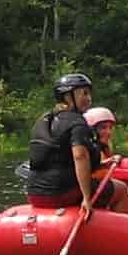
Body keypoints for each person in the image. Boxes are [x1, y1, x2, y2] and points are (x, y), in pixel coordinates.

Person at [25, 73, 99, 210]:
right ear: (67, 97)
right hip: (60, 194)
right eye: (84, 94)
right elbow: (80, 156)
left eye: (89, 94)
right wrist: (87, 198)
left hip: (34, 193)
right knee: (120, 189)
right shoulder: (77, 122)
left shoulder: (44, 119)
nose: (89, 99)